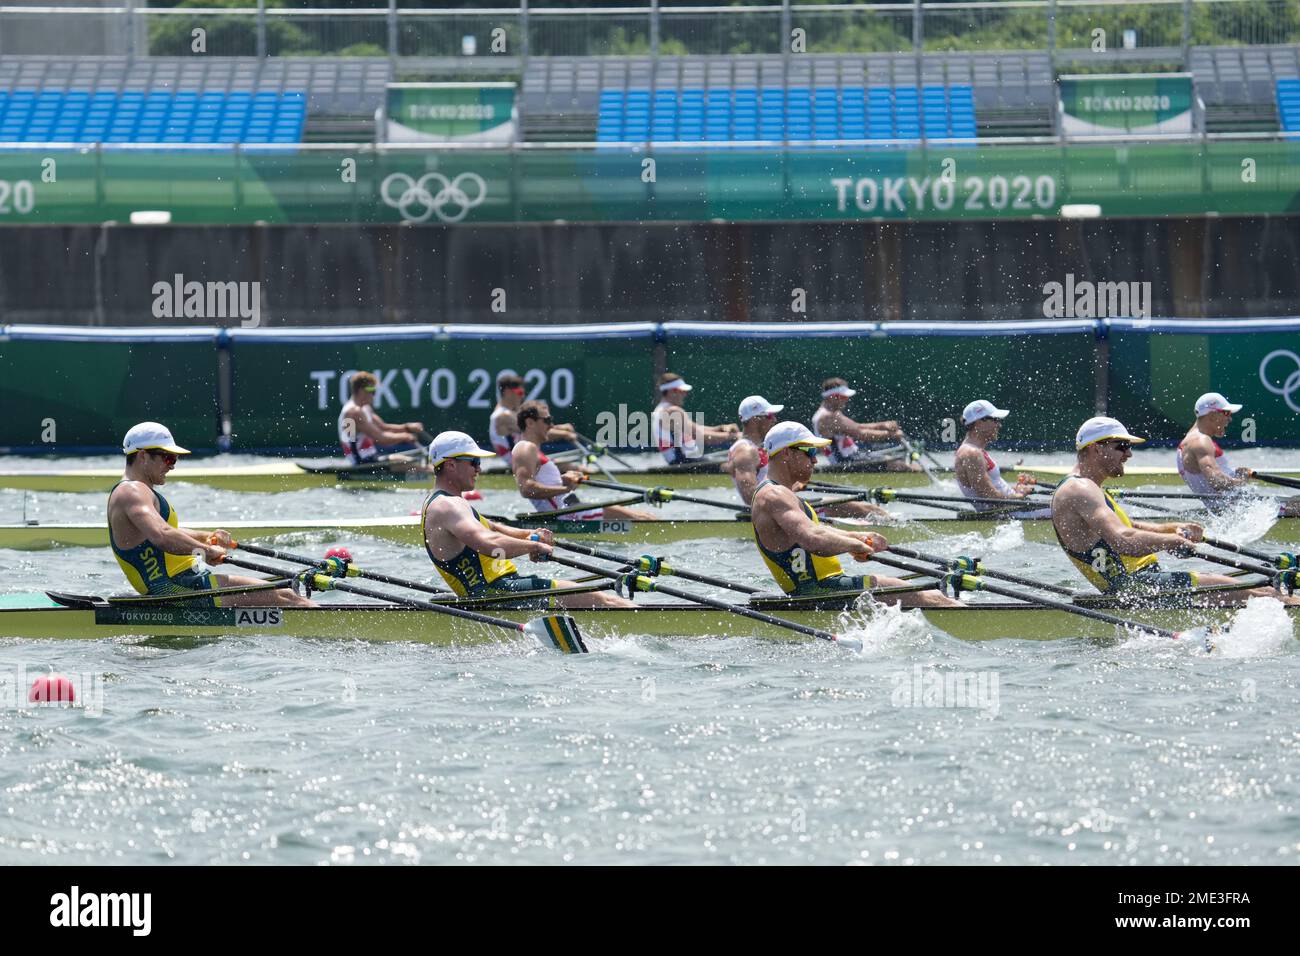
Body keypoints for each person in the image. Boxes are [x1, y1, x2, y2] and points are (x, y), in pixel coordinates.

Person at [1051, 417, 1297, 606]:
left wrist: (1172, 529)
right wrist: (1169, 542)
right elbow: (1122, 540)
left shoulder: (1086, 486)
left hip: (1148, 582)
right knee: (1265, 595)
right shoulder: (1080, 489)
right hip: (1137, 589)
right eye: (1122, 446)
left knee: (1259, 590)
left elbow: (1129, 527)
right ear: (1095, 449)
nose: (1129, 454)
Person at [748, 422, 959, 607]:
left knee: (930, 593)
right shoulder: (774, 495)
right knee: (935, 598)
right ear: (787, 453)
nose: (815, 461)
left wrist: (856, 536)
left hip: (829, 587)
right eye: (810, 452)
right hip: (821, 592)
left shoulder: (782, 493)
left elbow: (817, 529)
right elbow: (813, 539)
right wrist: (856, 546)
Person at [108, 422, 312, 607]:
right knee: (291, 599)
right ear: (143, 456)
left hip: (186, 583)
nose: (172, 465)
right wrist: (204, 550)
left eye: (175, 458)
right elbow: (161, 535)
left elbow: (167, 531)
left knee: (288, 594)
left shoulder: (137, 492)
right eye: (168, 458)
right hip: (177, 588)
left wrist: (206, 536)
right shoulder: (132, 491)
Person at [420, 431, 634, 607]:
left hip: (504, 587)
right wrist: (531, 546)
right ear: (450, 465)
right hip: (497, 592)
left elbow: (492, 527)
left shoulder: (448, 502)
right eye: (473, 462)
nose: (479, 469)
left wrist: (530, 535)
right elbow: (488, 544)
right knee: (606, 601)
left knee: (602, 597)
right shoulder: (447, 506)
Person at [726, 395, 890, 520]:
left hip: (781, 503)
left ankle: (891, 521)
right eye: (769, 416)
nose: (774, 419)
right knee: (860, 509)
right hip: (773, 512)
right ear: (756, 419)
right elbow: (750, 496)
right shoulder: (746, 451)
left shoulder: (755, 447)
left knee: (862, 507)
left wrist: (792, 483)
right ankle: (895, 526)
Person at [511, 400, 656, 521]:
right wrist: (566, 488)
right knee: (643, 519)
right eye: (547, 420)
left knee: (644, 516)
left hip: (570, 509)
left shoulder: (533, 450)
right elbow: (526, 488)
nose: (551, 426)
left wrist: (564, 480)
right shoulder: (525, 448)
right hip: (567, 515)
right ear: (530, 422)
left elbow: (542, 483)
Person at [953, 399, 1046, 517]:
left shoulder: (975, 451)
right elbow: (989, 497)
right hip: (1009, 514)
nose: (999, 425)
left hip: (1013, 509)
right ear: (979, 422)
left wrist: (1016, 489)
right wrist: (1019, 496)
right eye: (995, 420)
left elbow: (993, 489)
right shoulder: (971, 453)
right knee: (1071, 507)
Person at [811, 377, 918, 472]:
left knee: (892, 458)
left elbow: (858, 426)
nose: (846, 400)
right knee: (896, 464)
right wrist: (892, 435)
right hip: (845, 464)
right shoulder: (827, 417)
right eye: (843, 397)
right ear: (832, 397)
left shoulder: (831, 413)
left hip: (854, 457)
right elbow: (861, 434)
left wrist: (883, 425)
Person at [338, 371, 426, 469]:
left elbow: (384, 427)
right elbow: (380, 438)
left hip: (371, 458)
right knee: (419, 467)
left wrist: (407, 427)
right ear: (361, 391)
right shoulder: (353, 412)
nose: (374, 395)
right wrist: (404, 436)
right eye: (372, 391)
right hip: (360, 463)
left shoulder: (364, 408)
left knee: (418, 464)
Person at [489, 372, 576, 466]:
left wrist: (561, 428)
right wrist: (565, 434)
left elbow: (536, 428)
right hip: (517, 459)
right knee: (573, 467)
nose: (522, 396)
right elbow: (536, 432)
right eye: (520, 393)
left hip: (523, 455)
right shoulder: (503, 416)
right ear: (507, 391)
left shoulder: (508, 412)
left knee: (571, 466)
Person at [651, 372, 738, 465]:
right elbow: (700, 436)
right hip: (684, 462)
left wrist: (721, 428)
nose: (685, 395)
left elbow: (697, 428)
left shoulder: (660, 409)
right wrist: (734, 437)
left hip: (682, 461)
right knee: (741, 463)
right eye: (682, 391)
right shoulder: (673, 411)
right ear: (672, 391)